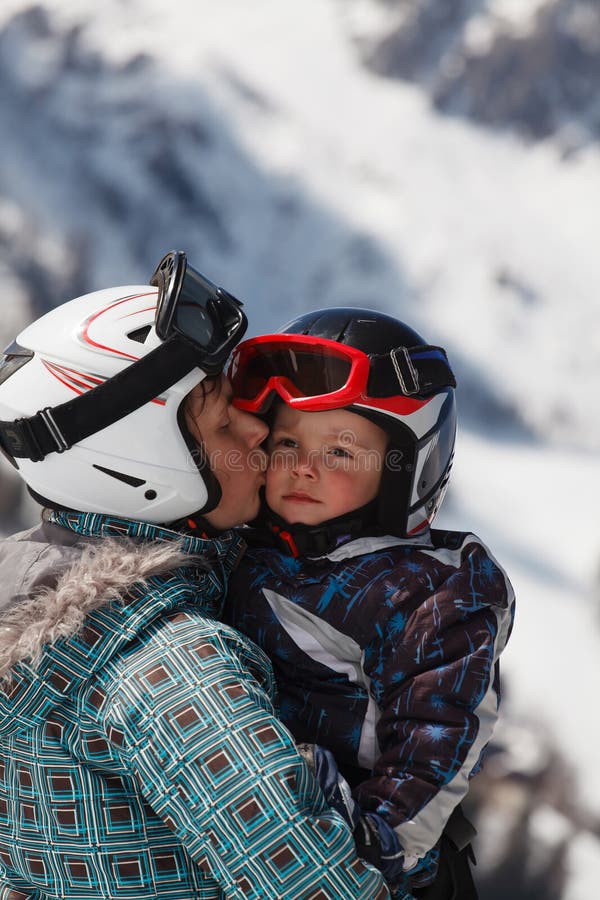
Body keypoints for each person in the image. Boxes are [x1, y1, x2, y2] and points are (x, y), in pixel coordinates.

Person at [0, 256, 390, 900]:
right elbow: (318, 886)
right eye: (224, 422)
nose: (259, 428)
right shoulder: (171, 668)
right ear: (139, 466)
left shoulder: (38, 619)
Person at [224, 307, 516, 899]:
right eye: (287, 442)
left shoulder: (426, 594)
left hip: (372, 859)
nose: (302, 467)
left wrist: (379, 840)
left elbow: (439, 733)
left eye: (339, 453)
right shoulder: (241, 547)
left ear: (405, 471)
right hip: (257, 837)